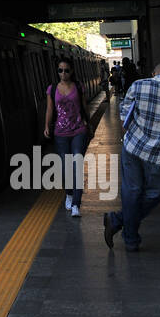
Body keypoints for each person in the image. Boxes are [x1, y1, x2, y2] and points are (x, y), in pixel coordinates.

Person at [104, 63, 160, 252]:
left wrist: (126, 136)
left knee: (132, 192)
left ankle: (119, 222)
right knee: (155, 193)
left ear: (153, 74)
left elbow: (124, 115)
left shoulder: (139, 85)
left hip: (133, 147)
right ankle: (129, 237)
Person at [44, 58, 91, 217]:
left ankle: (76, 204)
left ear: (72, 71)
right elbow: (50, 109)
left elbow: (84, 106)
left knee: (76, 165)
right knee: (65, 168)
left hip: (78, 130)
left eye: (66, 70)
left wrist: (87, 121)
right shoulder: (52, 89)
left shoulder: (79, 86)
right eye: (60, 70)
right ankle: (69, 194)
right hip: (60, 134)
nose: (63, 73)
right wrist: (46, 126)